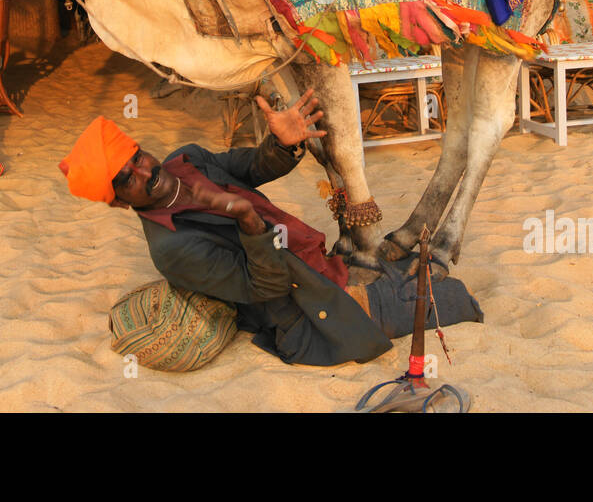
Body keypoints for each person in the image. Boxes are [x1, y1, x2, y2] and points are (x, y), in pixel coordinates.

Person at [61, 91, 483, 367]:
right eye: (125, 178)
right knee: (456, 298)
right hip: (303, 310)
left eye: (137, 156)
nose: (144, 171)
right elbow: (264, 285)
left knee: (416, 268)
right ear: (118, 201)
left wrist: (281, 143)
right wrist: (247, 219)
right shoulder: (171, 248)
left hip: (321, 262)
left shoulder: (185, 160)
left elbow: (251, 167)